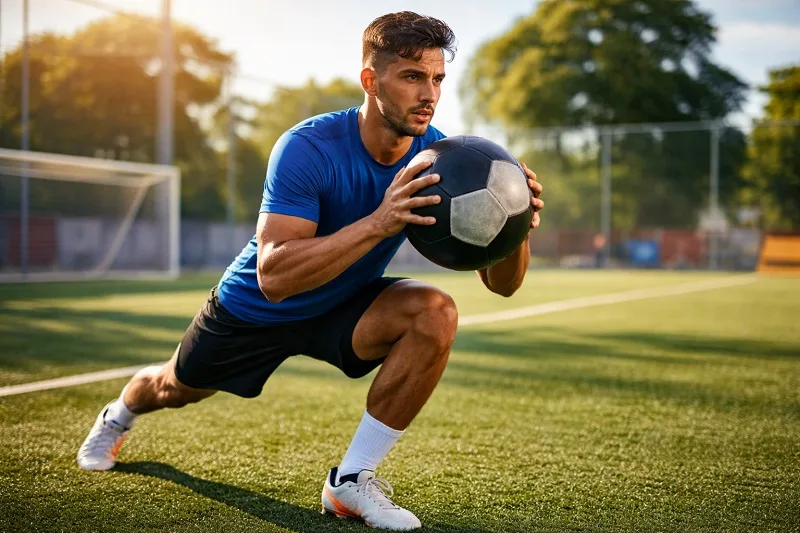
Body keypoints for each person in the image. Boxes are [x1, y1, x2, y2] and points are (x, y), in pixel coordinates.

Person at [77, 11, 544, 531]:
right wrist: (378, 222)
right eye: (412, 77)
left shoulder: (439, 157)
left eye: (436, 78)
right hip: (256, 309)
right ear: (371, 80)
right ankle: (118, 414)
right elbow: (274, 277)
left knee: (433, 312)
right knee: (173, 387)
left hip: (344, 303)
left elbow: (504, 285)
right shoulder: (307, 147)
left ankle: (350, 483)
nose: (429, 93)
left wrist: (515, 226)